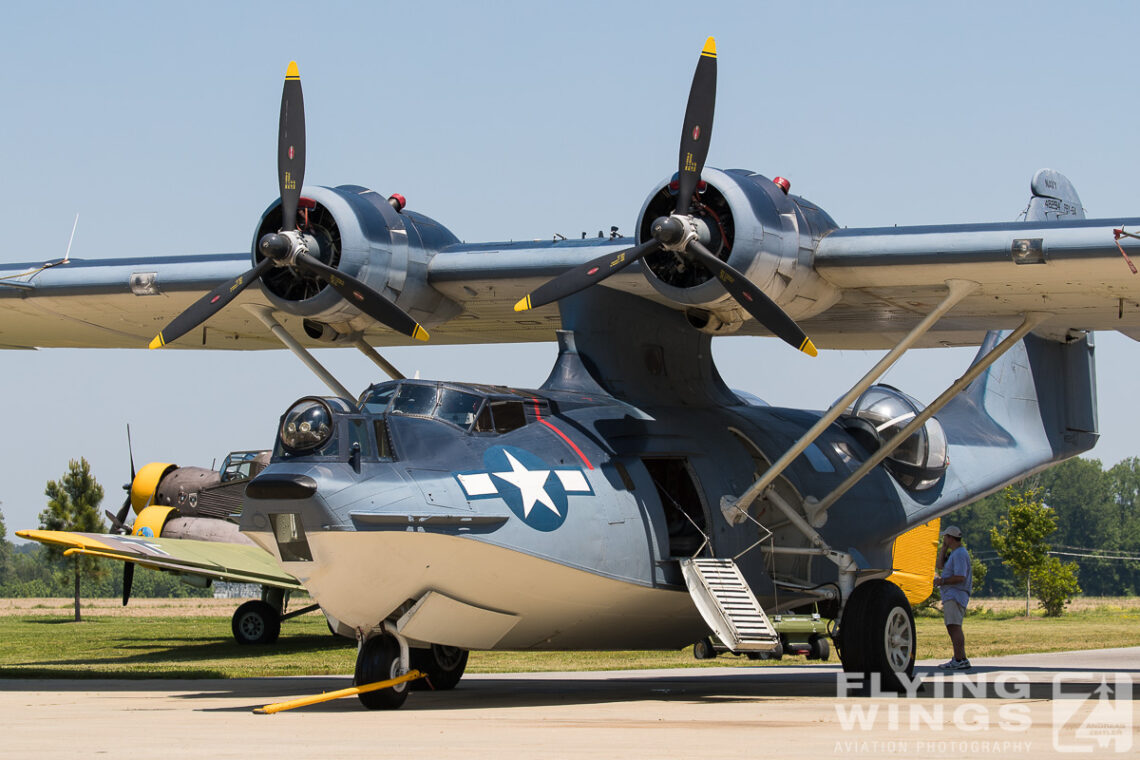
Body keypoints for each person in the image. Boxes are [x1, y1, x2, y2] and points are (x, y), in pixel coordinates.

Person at [933, 525, 972, 669]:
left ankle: (959, 659)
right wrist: (943, 549)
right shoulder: (955, 553)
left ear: (950, 538)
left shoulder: (960, 554)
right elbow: (939, 565)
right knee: (952, 626)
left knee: (954, 627)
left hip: (955, 595)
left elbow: (960, 577)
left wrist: (942, 581)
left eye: (945, 537)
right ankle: (960, 658)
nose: (944, 539)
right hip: (951, 595)